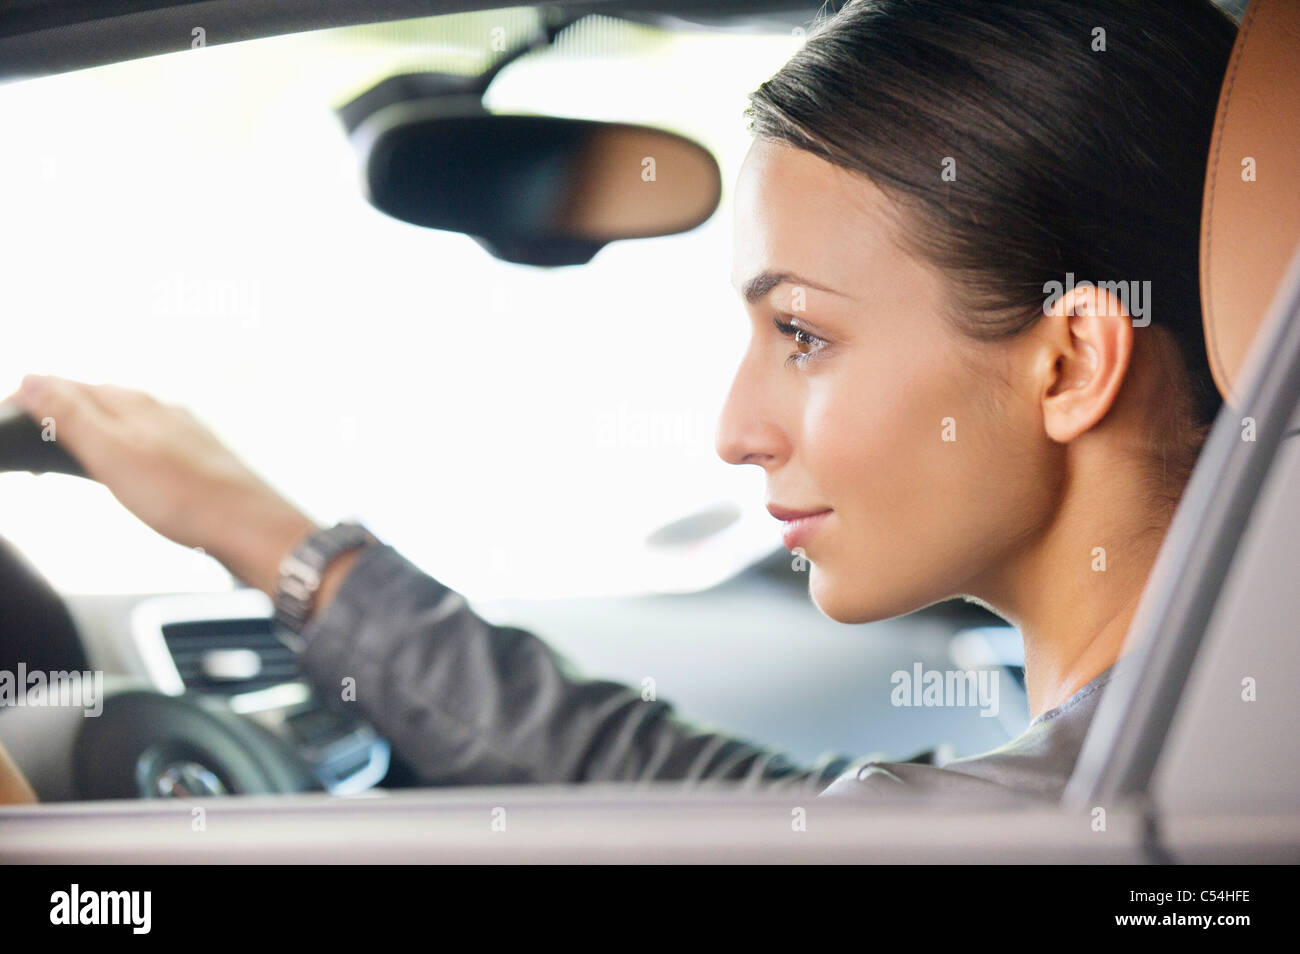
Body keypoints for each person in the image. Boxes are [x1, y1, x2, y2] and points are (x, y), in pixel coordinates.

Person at [0, 0, 1236, 803]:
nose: (734, 431)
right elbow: (704, 802)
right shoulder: (1162, 770)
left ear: (1070, 362)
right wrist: (272, 537)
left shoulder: (1053, 819)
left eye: (801, 333)